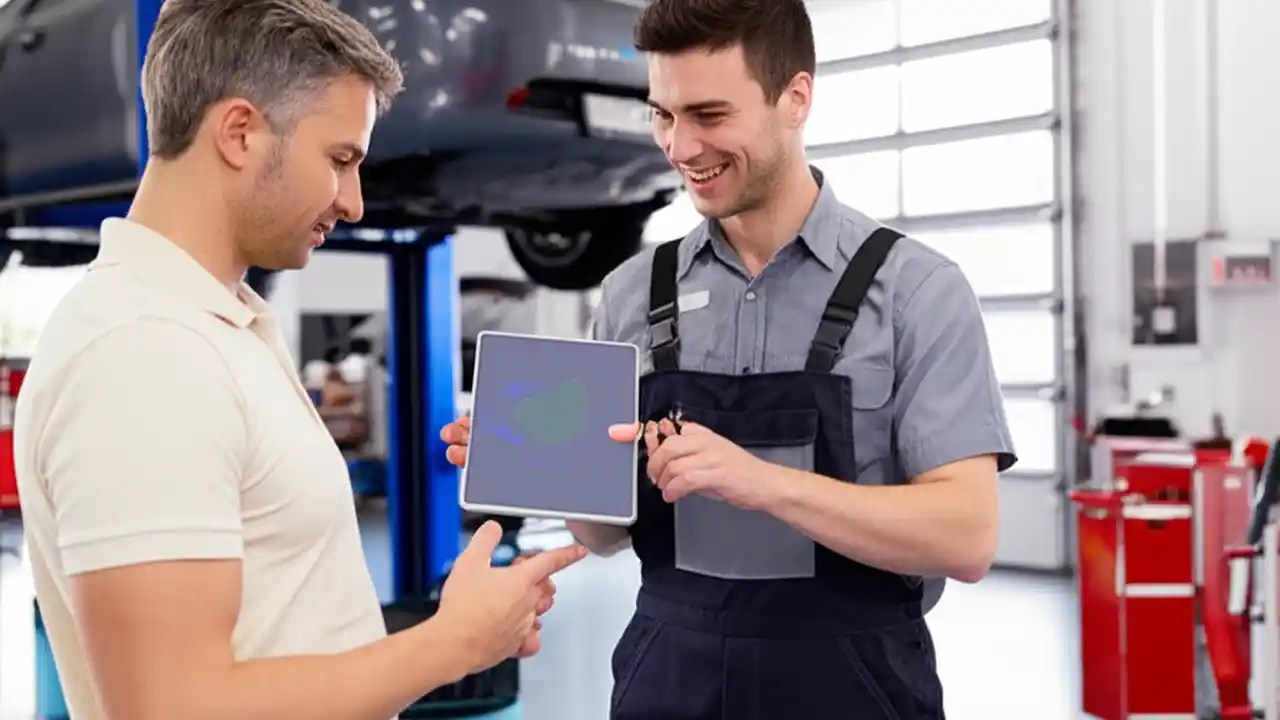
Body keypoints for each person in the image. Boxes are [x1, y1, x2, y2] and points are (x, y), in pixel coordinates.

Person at [441, 0, 1018, 717]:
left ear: (795, 99)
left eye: (709, 115)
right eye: (662, 115)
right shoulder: (631, 294)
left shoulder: (917, 292)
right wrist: (536, 463)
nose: (680, 148)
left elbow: (966, 537)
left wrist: (761, 481)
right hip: (669, 683)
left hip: (855, 689)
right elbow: (608, 535)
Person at [12, 2, 584, 719]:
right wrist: (453, 644)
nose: (353, 203)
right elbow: (174, 708)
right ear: (240, 132)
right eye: (340, 160)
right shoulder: (144, 354)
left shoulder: (211, 325)